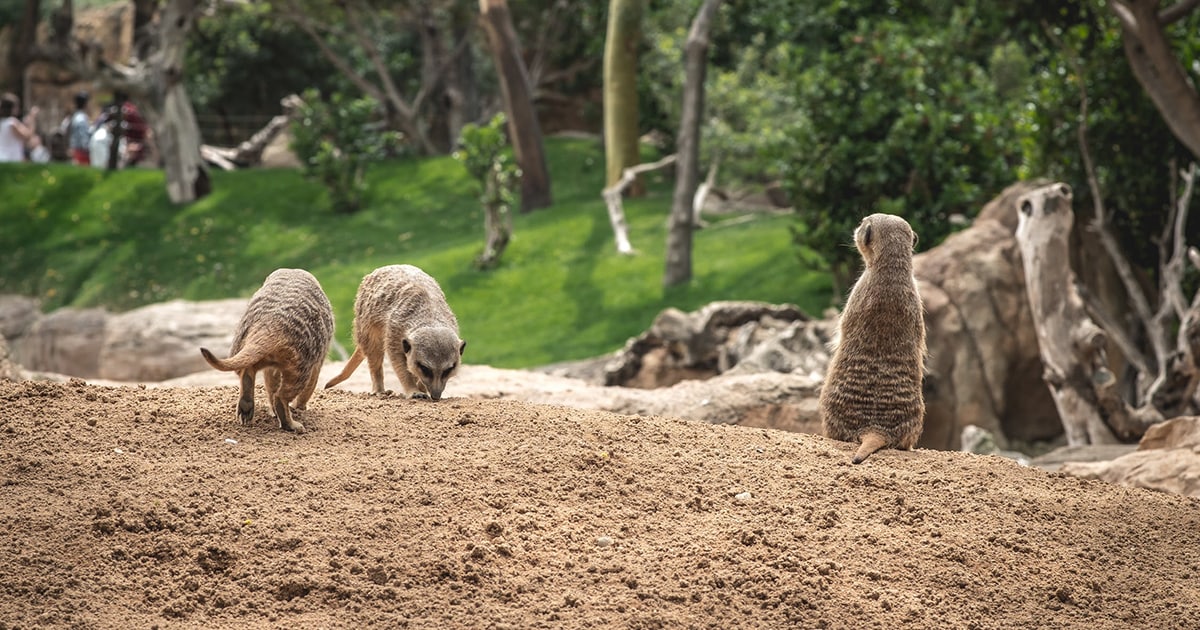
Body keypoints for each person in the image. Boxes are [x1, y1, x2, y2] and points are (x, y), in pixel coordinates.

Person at [0, 92, 39, 163]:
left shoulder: (3, 122)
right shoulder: (12, 122)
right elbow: (28, 136)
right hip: (10, 159)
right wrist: (32, 119)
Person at [63, 90, 92, 165]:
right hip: (80, 152)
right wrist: (88, 150)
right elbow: (83, 139)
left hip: (75, 151)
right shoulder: (81, 119)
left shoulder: (74, 116)